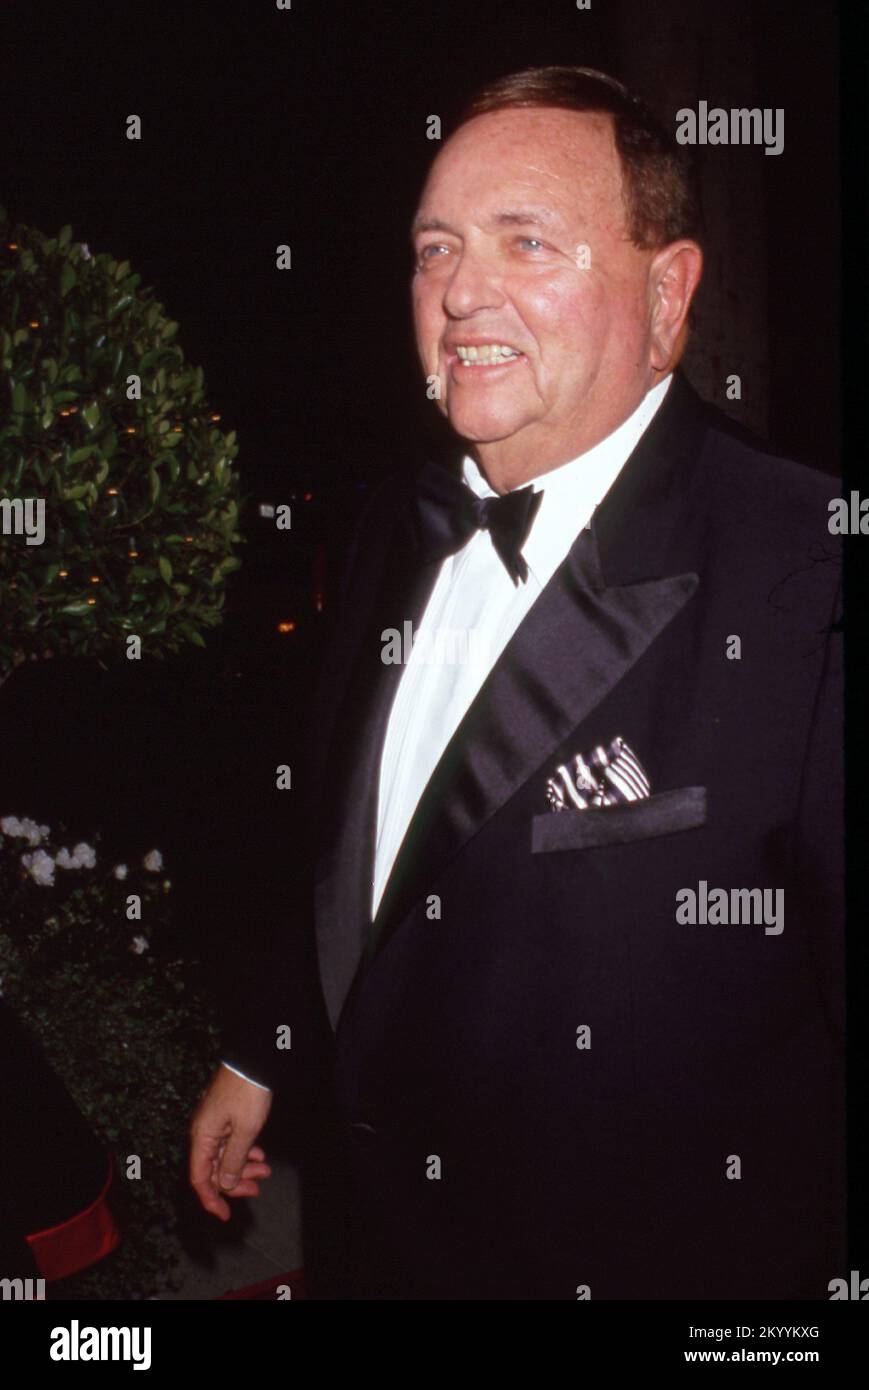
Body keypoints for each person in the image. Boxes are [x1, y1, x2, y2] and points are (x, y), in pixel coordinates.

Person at [189, 66, 844, 1300]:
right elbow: (365, 833)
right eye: (434, 249)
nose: (459, 293)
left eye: (523, 241)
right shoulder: (397, 522)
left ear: (664, 298)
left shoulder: (806, 568)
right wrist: (266, 1049)